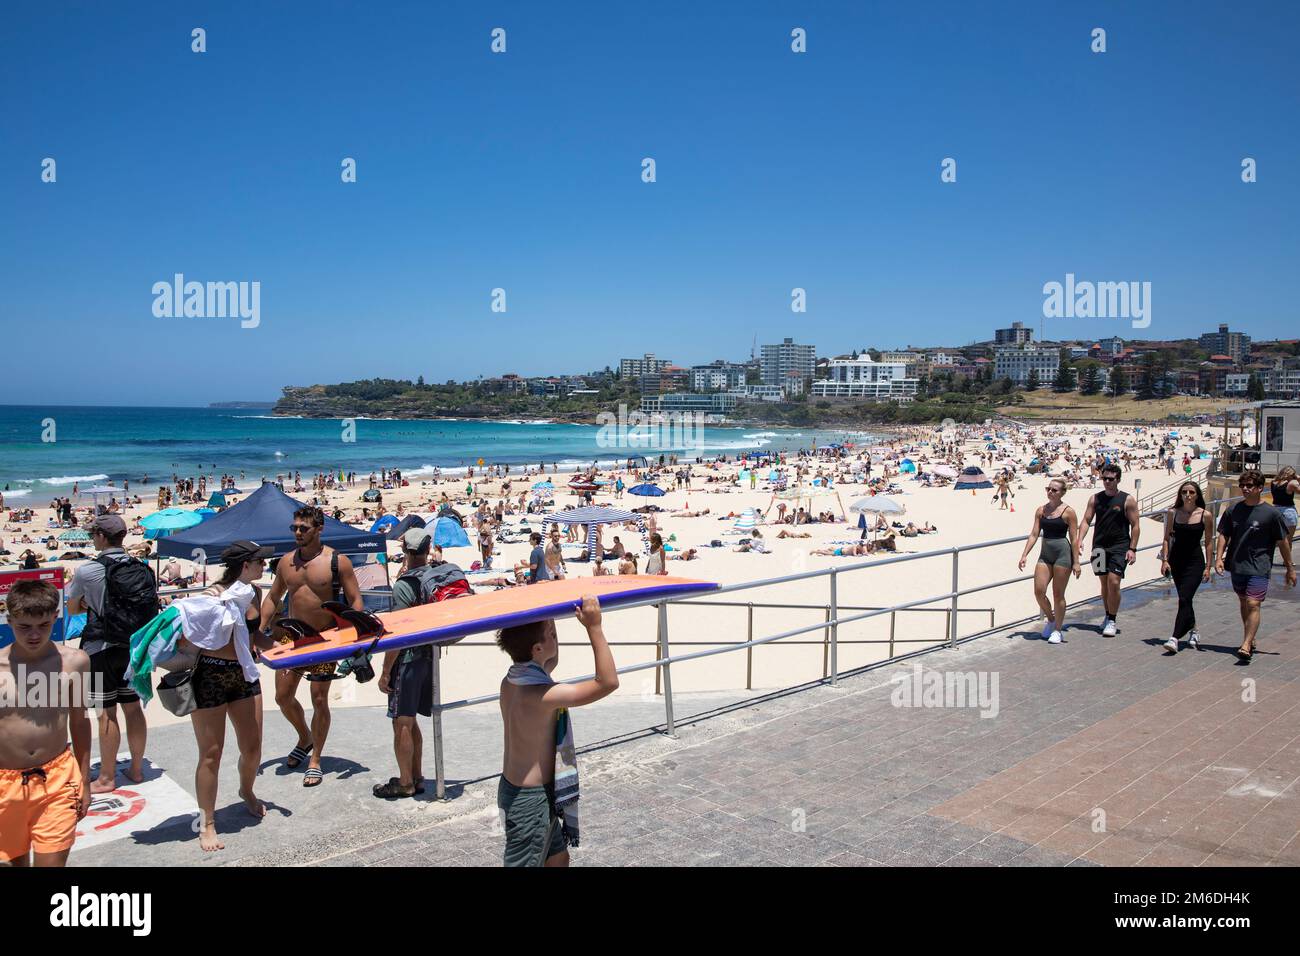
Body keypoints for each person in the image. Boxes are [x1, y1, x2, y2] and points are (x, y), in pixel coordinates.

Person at [496, 595, 617, 867]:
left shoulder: (514, 679)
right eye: (551, 632)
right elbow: (607, 682)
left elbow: (553, 655)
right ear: (538, 649)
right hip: (530, 800)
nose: (555, 634)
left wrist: (549, 607)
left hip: (519, 790)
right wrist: (594, 627)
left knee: (559, 859)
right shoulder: (542, 693)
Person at [258, 506, 364, 787]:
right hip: (292, 637)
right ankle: (305, 737)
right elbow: (272, 598)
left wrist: (355, 639)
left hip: (325, 638)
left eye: (303, 528)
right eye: (294, 528)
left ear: (319, 529)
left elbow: (356, 601)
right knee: (282, 697)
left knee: (319, 698)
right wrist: (257, 629)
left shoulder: (337, 562)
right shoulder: (285, 563)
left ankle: (315, 757)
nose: (297, 533)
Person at [188, 541, 275, 851]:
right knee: (211, 753)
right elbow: (193, 639)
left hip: (244, 675)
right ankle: (207, 823)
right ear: (244, 565)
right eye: (259, 562)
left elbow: (255, 637)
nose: (264, 566)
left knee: (252, 748)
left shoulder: (254, 593)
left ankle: (246, 791)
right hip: (210, 674)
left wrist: (289, 647)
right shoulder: (212, 597)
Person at [0, 580, 92, 866]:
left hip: (57, 778)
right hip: (5, 783)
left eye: (43, 625)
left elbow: (80, 721)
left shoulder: (75, 662)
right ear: (9, 620)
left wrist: (85, 780)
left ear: (55, 617)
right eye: (24, 627)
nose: (34, 635)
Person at [66, 514, 158, 793]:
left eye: (94, 534)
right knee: (132, 707)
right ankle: (137, 768)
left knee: (106, 713)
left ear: (102, 537)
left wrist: (91, 605)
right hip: (134, 646)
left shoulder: (87, 571)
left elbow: (72, 609)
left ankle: (106, 777)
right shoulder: (139, 566)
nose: (92, 539)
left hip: (100, 648)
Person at [375, 528, 449, 799]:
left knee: (401, 723)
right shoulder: (435, 577)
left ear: (405, 551)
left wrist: (385, 672)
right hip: (429, 658)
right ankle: (416, 776)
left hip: (407, 662)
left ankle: (405, 781)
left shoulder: (404, 584)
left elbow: (398, 632)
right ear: (428, 550)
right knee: (412, 721)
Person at [1215, 471, 1296, 662]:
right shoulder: (1233, 510)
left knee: (1253, 603)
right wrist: (1218, 558)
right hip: (1237, 564)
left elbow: (1283, 541)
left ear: (1260, 488)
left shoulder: (1272, 513)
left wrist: (1289, 567)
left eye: (1249, 485)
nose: (1245, 488)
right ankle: (1250, 637)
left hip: (1260, 566)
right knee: (1244, 602)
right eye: (1243, 485)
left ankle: (1245, 644)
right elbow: (1224, 534)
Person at [1077, 464, 1140, 637]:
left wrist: (1132, 548)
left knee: (1114, 582)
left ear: (1118, 480)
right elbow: (1085, 520)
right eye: (1104, 478)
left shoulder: (1127, 500)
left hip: (1120, 546)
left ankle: (1112, 619)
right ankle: (1107, 615)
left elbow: (1135, 525)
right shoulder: (1095, 499)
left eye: (1110, 479)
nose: (1106, 482)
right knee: (1104, 583)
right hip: (1099, 546)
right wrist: (1079, 539)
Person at [1017, 478, 1080, 644]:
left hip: (1063, 554)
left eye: (1054, 490)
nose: (1050, 492)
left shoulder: (1069, 512)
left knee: (1058, 594)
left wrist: (1076, 562)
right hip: (1045, 554)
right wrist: (1024, 554)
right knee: (1039, 591)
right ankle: (1051, 620)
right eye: (1048, 489)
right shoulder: (1041, 510)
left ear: (1062, 493)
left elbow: (1074, 539)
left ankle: (1058, 630)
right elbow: (1034, 534)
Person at [1158, 482, 1213, 654]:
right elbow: (1166, 538)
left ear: (1197, 494)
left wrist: (1208, 566)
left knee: (1184, 598)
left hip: (1195, 562)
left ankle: (1174, 638)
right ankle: (1194, 630)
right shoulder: (1172, 513)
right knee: (1185, 598)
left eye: (1191, 492)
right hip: (1177, 561)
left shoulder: (1205, 515)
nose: (1187, 495)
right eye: (1184, 492)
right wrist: (1165, 560)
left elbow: (1210, 542)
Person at [1271, 466, 1299, 536]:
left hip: (1276, 511)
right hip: (1288, 512)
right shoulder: (1291, 484)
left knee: (1279, 540)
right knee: (1288, 540)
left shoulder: (1273, 482)